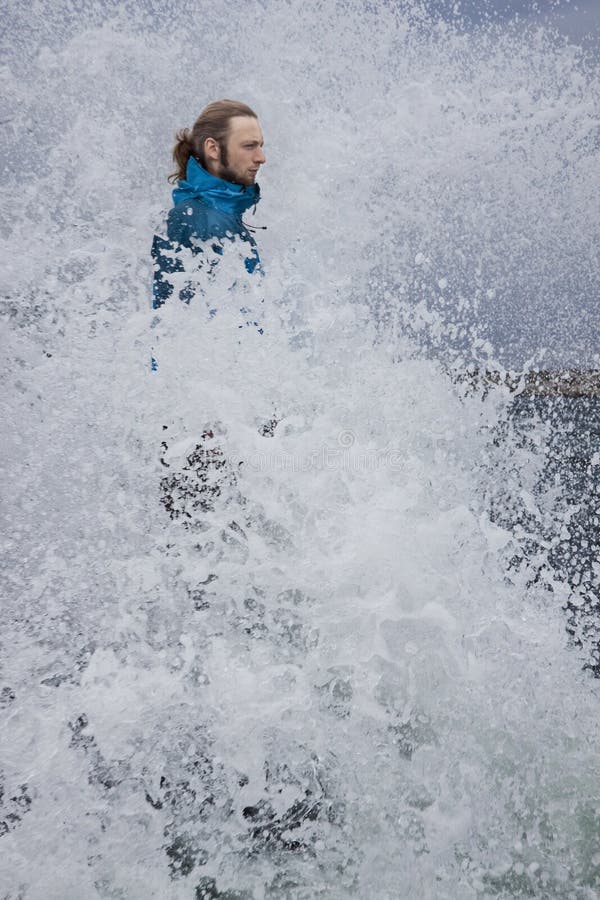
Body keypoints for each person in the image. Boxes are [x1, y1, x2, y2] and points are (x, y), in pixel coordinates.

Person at [151, 99, 266, 309]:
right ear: (213, 149)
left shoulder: (221, 216)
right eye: (249, 146)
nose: (261, 157)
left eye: (260, 146)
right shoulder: (193, 216)